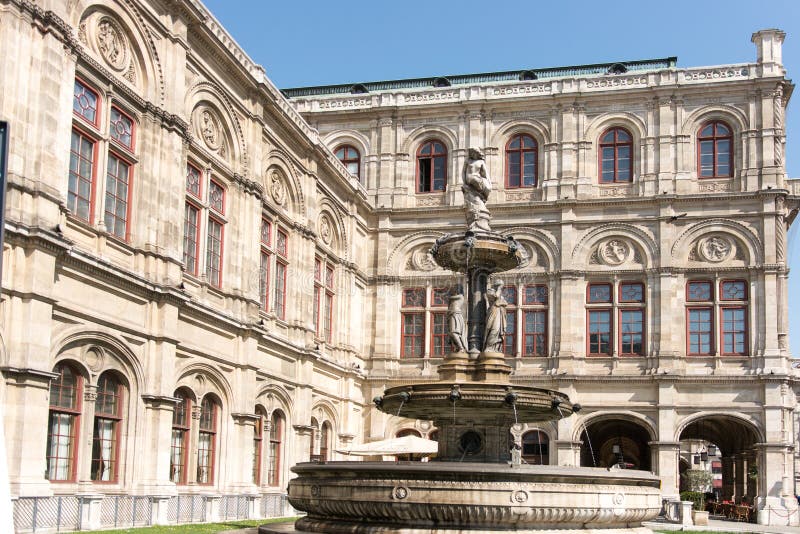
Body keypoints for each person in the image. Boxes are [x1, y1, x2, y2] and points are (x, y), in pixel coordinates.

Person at [462, 148, 492, 232]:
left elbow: (485, 174)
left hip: (477, 179)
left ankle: (482, 196)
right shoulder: (468, 161)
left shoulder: (481, 162)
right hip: (470, 180)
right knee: (474, 182)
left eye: (474, 153)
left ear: (477, 154)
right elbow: (463, 172)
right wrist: (464, 183)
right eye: (472, 153)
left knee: (480, 189)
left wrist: (488, 184)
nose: (473, 154)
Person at [483, 279, 507, 352]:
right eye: (501, 286)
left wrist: (500, 303)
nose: (502, 288)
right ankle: (489, 347)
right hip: (493, 312)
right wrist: (499, 289)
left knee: (499, 331)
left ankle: (495, 348)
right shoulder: (490, 291)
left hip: (500, 313)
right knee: (494, 329)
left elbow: (505, 303)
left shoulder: (500, 295)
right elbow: (496, 297)